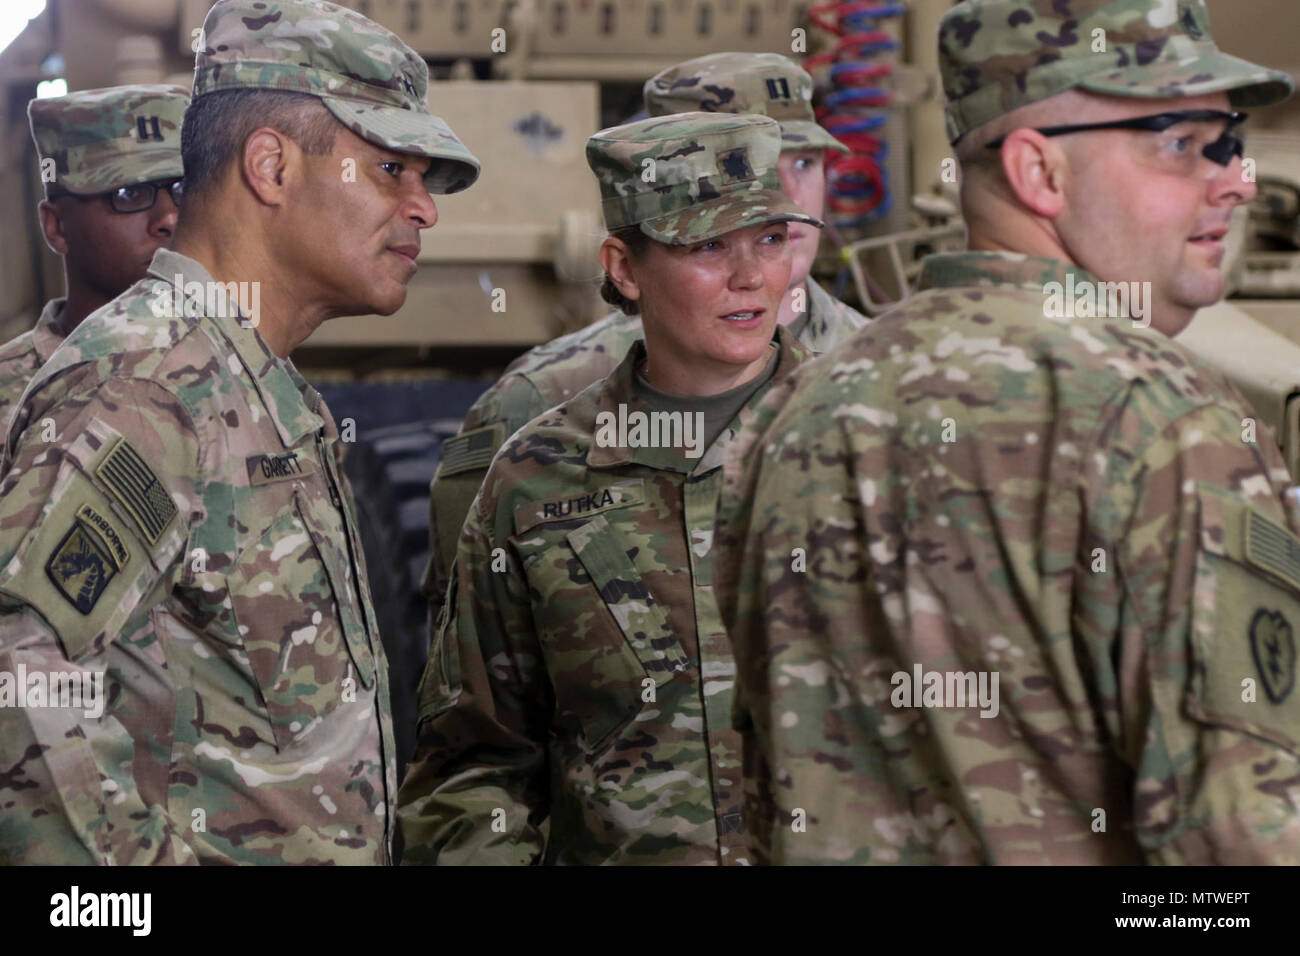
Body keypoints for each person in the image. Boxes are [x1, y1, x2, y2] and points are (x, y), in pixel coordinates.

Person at [714, 0, 1300, 865]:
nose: (1236, 180)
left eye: (1231, 140)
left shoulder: (792, 410)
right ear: (1040, 173)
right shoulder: (1168, 424)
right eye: (1182, 144)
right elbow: (1243, 849)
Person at [0, 0, 478, 865]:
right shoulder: (142, 383)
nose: (423, 209)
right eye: (389, 170)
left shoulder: (252, 376)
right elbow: (22, 693)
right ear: (271, 166)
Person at [398, 112, 820, 864]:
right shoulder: (536, 477)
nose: (751, 276)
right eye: (707, 245)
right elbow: (473, 765)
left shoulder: (869, 441)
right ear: (624, 268)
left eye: (770, 239)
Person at [422, 52, 869, 643]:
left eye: (804, 163)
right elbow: (475, 658)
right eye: (708, 234)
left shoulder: (884, 389)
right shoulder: (544, 401)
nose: (783, 193)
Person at [0, 85, 187, 424]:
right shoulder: (11, 395)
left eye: (181, 189)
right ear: (56, 226)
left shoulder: (243, 363)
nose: (169, 218)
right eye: (129, 193)